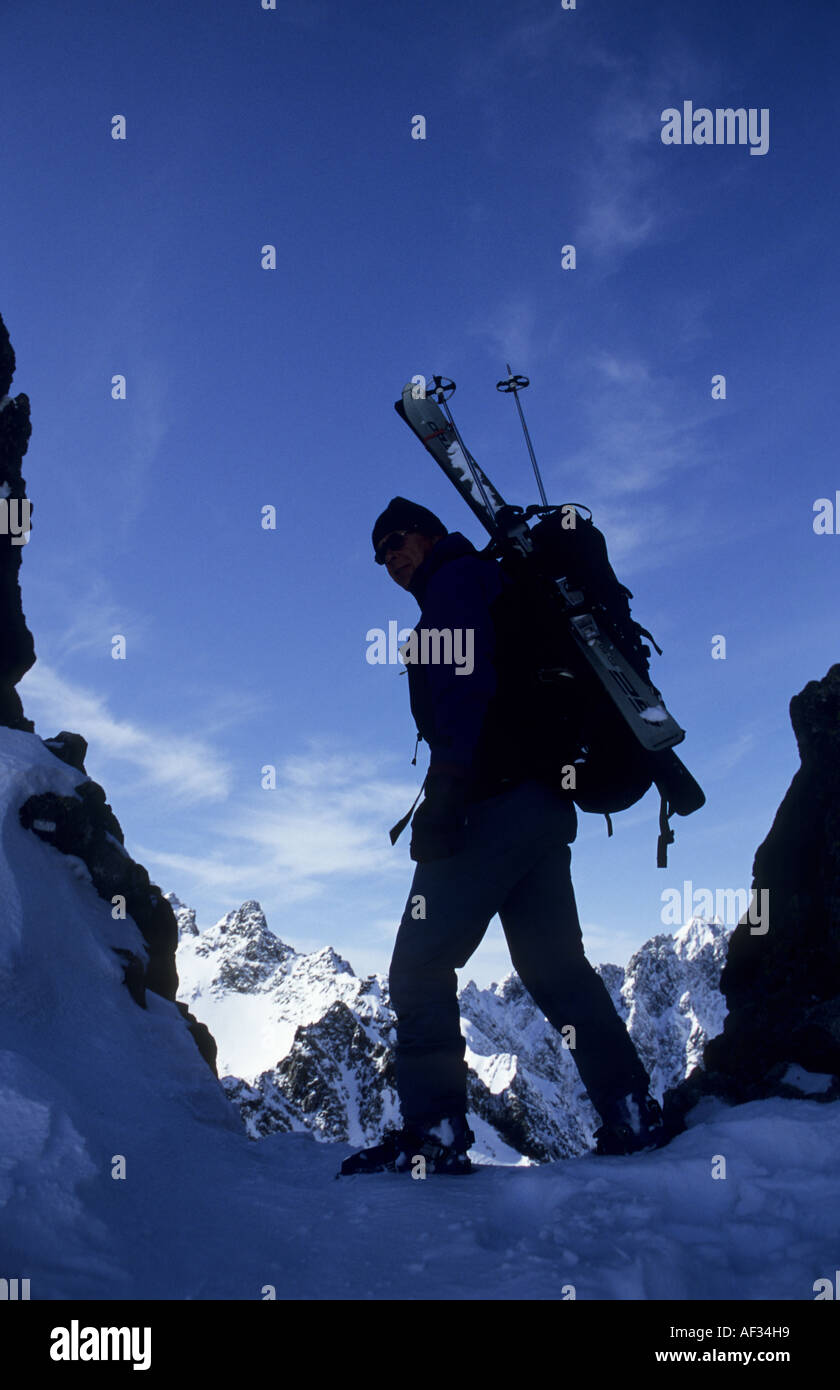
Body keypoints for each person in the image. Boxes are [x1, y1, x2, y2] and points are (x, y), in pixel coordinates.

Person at [339, 498, 665, 1176]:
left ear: (429, 536)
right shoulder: (492, 582)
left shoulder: (456, 582)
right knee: (555, 968)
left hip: (490, 803)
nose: (391, 559)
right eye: (380, 554)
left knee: (419, 967)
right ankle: (630, 1109)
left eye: (398, 542)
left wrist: (450, 784)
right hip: (544, 805)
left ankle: (435, 1132)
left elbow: (464, 680)